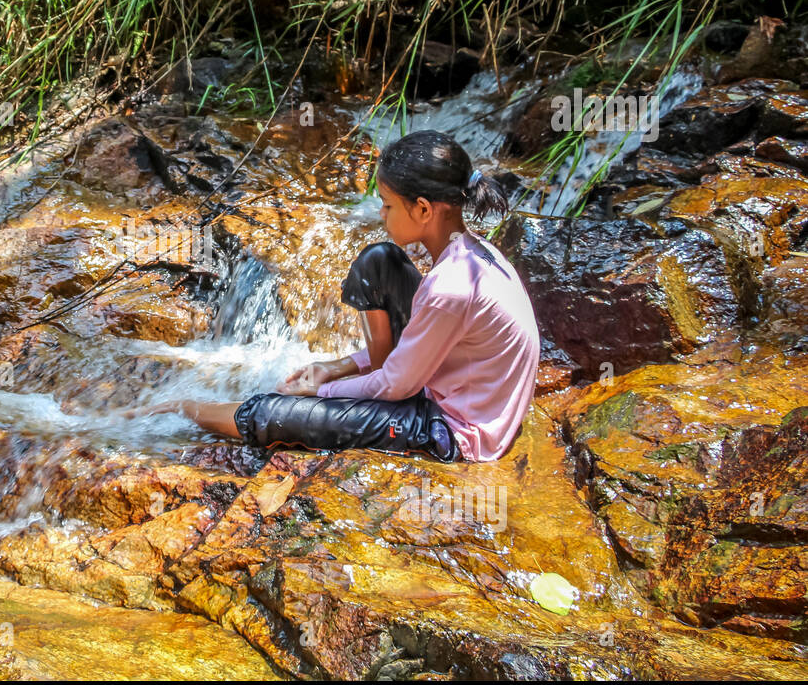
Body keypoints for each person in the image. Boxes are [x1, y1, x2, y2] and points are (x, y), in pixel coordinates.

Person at [127, 129, 541, 464]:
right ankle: (220, 406)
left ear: (423, 210)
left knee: (276, 414)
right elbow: (417, 351)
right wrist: (336, 367)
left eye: (386, 205)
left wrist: (318, 393)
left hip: (456, 429)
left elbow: (396, 386)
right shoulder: (474, 252)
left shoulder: (451, 286)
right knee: (379, 262)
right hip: (452, 391)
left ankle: (183, 408)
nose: (381, 215)